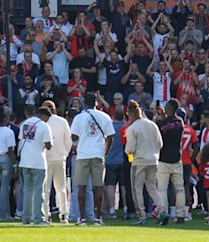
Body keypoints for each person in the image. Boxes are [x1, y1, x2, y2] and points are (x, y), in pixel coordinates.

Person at [69, 93, 114, 226]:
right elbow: (111, 136)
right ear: (96, 102)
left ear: (84, 103)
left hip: (83, 154)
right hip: (98, 154)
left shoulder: (79, 117)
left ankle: (82, 218)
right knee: (98, 187)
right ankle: (98, 218)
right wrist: (105, 152)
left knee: (81, 187)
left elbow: (73, 137)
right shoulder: (104, 116)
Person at [124, 100, 163, 225]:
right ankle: (162, 210)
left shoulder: (132, 128)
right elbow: (160, 144)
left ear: (130, 114)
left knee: (137, 189)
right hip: (153, 160)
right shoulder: (152, 125)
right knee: (152, 187)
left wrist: (128, 151)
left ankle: (141, 216)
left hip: (139, 161)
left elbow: (130, 149)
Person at [17, 104, 52, 225]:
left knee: (27, 191)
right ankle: (38, 218)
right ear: (43, 116)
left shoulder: (24, 124)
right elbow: (48, 145)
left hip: (25, 161)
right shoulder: (43, 125)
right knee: (38, 191)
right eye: (47, 117)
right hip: (38, 162)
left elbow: (21, 141)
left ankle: (25, 218)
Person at [155, 98, 187, 225]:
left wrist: (161, 118)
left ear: (168, 108)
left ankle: (164, 214)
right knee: (179, 189)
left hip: (164, 160)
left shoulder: (161, 124)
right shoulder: (180, 122)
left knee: (162, 189)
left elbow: (159, 137)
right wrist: (164, 116)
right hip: (177, 158)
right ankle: (181, 216)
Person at [42, 101, 71, 224]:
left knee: (46, 188)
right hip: (60, 157)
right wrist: (65, 153)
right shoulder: (62, 121)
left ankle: (46, 215)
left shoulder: (43, 122)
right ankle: (63, 214)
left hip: (46, 158)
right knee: (61, 188)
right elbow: (68, 140)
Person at [0, 107, 17, 220]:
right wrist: (15, 165)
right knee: (5, 188)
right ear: (6, 120)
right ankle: (2, 214)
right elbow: (10, 151)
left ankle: (7, 213)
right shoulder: (9, 132)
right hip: (6, 159)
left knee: (4, 187)